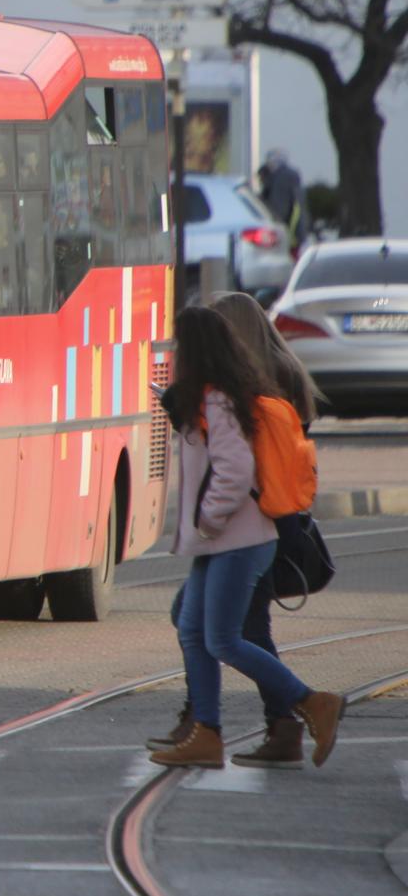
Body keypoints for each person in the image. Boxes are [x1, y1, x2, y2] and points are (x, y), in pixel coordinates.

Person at [149, 306, 345, 769]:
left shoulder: (219, 401)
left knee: (223, 639)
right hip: (221, 542)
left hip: (238, 539)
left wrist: (208, 520)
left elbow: (235, 471)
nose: (174, 355)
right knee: (193, 628)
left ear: (195, 350)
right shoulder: (212, 396)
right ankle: (206, 732)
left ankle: (311, 702)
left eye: (180, 347)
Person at [257, 150, 306, 244]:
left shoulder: (280, 179)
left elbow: (281, 209)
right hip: (288, 230)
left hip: (283, 230)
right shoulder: (287, 176)